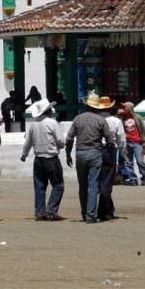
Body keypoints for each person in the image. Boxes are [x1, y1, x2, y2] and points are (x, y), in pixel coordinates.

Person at [65, 93, 112, 223]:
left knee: (82, 186)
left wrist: (68, 154)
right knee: (93, 185)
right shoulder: (101, 120)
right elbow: (109, 140)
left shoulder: (77, 119)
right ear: (97, 107)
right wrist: (110, 153)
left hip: (80, 154)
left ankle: (84, 213)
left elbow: (69, 139)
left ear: (86, 106)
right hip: (95, 153)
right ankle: (90, 215)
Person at [20, 98, 65, 220]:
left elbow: (28, 142)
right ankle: (51, 210)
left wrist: (24, 154)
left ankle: (40, 212)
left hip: (38, 159)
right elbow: (61, 142)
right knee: (58, 185)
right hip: (51, 158)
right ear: (49, 110)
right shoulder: (52, 123)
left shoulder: (33, 125)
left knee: (40, 186)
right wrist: (61, 145)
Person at [97, 96, 125, 221]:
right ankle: (105, 211)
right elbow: (121, 140)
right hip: (109, 151)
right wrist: (123, 153)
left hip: (96, 150)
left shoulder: (95, 119)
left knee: (96, 181)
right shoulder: (116, 121)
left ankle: (104, 209)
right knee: (107, 182)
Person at [119, 102, 145, 186]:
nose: (123, 109)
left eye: (125, 107)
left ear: (129, 108)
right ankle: (133, 179)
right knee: (128, 162)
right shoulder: (123, 118)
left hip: (138, 143)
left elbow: (143, 130)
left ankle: (144, 177)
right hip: (128, 143)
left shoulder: (137, 117)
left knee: (140, 161)